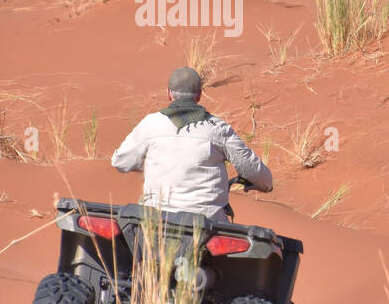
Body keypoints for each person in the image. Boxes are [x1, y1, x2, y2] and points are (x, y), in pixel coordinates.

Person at [111, 67, 272, 222]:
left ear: (169, 94)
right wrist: (266, 184)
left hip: (156, 221)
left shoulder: (150, 124)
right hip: (208, 222)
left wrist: (145, 162)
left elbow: (120, 162)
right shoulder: (217, 128)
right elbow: (252, 169)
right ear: (199, 95)